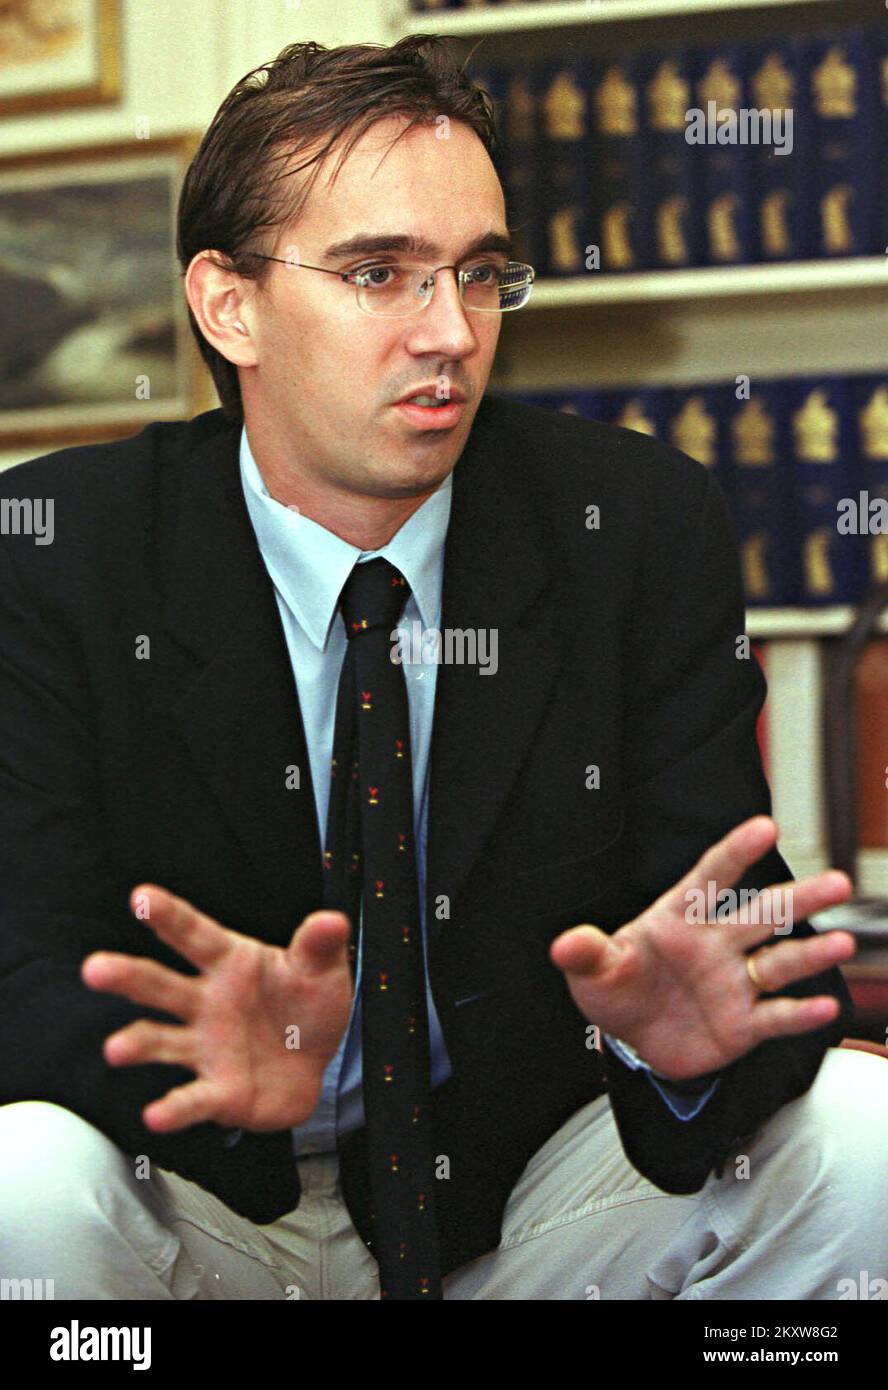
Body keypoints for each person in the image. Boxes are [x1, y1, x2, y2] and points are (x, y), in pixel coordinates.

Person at [0, 36, 885, 1302]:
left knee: (862, 1133)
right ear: (227, 303)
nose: (453, 332)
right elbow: (17, 961)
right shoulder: (54, 557)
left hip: (524, 1194)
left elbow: (722, 915)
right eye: (380, 275)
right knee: (21, 1176)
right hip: (210, 1199)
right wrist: (201, 1081)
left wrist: (679, 1053)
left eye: (480, 274)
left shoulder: (629, 524)